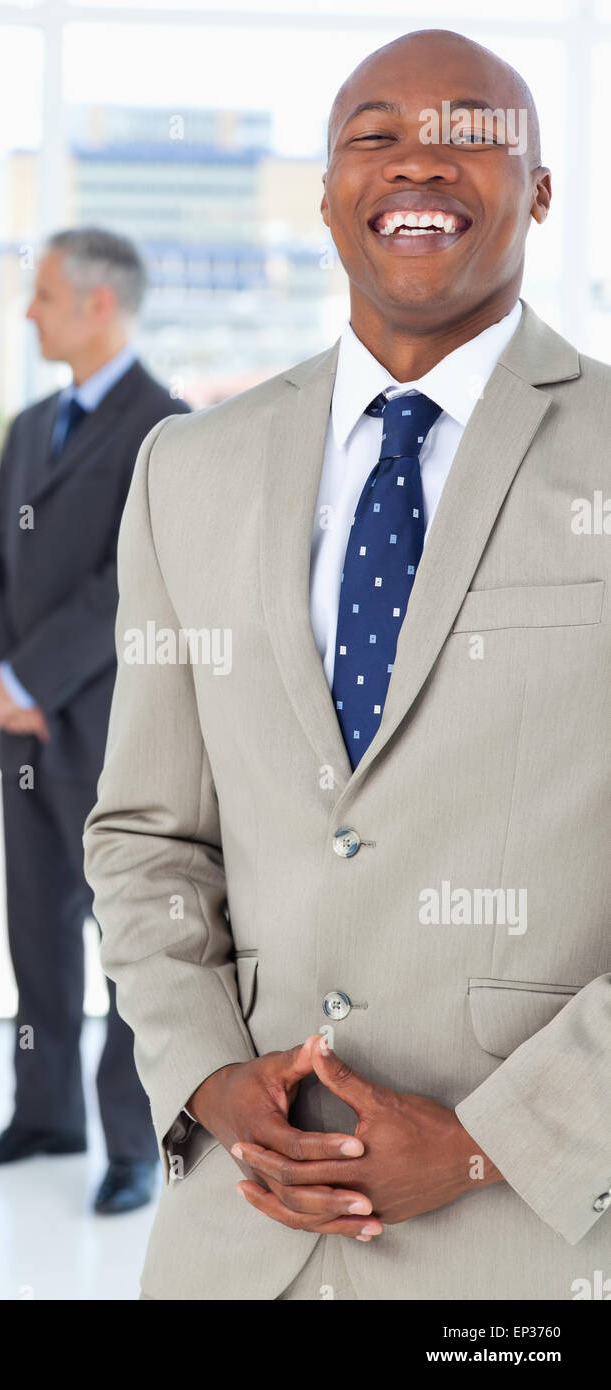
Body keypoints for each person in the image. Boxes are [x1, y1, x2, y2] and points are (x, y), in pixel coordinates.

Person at [83, 29, 611, 1298]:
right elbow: (147, 832)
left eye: (470, 136)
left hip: (533, 1249)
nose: (416, 164)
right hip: (236, 1235)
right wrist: (205, 1073)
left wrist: (493, 1146)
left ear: (538, 189)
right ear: (325, 194)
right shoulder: (187, 469)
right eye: (372, 136)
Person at [0, 228, 191, 1215]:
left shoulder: (165, 426)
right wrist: (2, 681)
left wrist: (32, 679)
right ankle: (43, 1110)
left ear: (98, 303)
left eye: (42, 294)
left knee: (128, 944)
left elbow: (128, 582)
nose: (27, 311)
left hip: (106, 726)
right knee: (33, 928)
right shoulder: (26, 425)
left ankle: (131, 1144)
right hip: (25, 727)